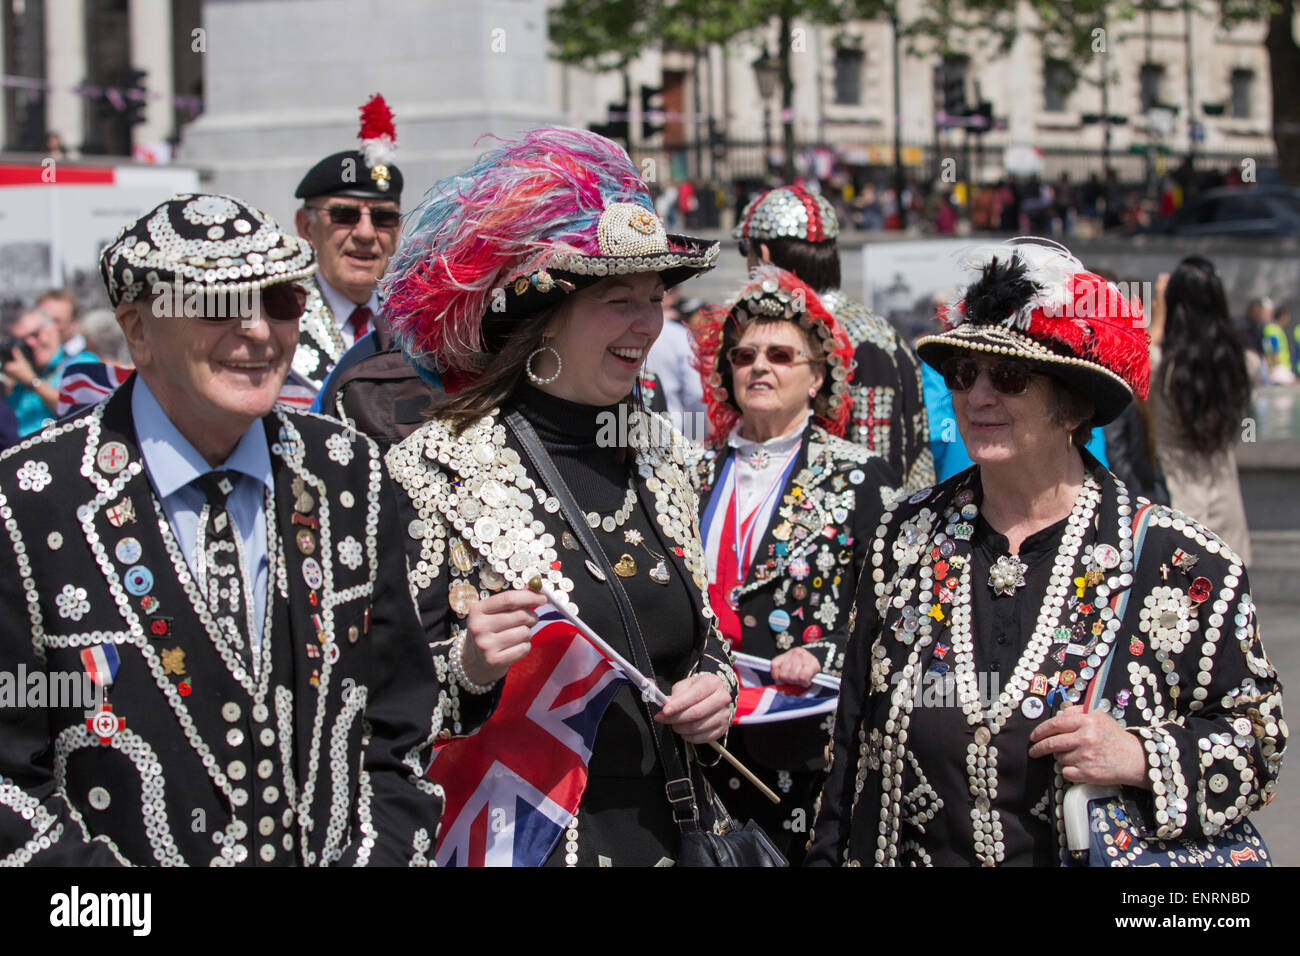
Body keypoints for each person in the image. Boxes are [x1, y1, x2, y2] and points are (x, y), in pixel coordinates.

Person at [0, 193, 495, 865]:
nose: (259, 331)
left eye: (282, 301)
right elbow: (11, 789)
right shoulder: (32, 499)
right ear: (139, 330)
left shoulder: (347, 471)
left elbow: (396, 729)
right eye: (218, 303)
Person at [808, 240, 1284, 866]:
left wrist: (1145, 757)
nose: (977, 397)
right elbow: (851, 742)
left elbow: (1258, 739)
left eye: (1008, 377)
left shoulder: (1180, 563)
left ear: (1072, 405)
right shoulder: (905, 538)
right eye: (963, 374)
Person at [384, 128, 737, 867]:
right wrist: (471, 669)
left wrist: (715, 688)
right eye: (618, 300)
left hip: (674, 834)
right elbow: (388, 707)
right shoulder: (436, 469)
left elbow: (699, 628)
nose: (647, 324)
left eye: (655, 299)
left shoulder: (664, 451)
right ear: (546, 315)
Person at [690, 265, 897, 863]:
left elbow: (890, 614)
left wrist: (824, 652)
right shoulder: (690, 472)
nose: (760, 366)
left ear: (816, 377)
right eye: (745, 354)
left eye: (781, 355)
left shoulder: (860, 477)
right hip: (703, 741)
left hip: (800, 747)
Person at [735, 186, 934, 493]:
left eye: (744, 251)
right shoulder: (866, 329)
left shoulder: (856, 340)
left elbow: (875, 473)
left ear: (763, 254)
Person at [291, 94, 404, 392]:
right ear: (306, 227)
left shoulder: (414, 323)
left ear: (398, 232)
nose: (366, 234)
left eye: (382, 218)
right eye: (344, 215)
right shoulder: (277, 316)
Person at [1150, 257, 1256, 566]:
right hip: (1226, 496)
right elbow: (1247, 427)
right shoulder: (1243, 364)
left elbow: (1129, 365)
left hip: (1175, 493)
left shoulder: (1158, 365)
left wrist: (1157, 318)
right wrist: (1248, 439)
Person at [3, 305, 96, 437]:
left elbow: (81, 411)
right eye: (22, 341)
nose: (31, 344)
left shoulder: (82, 363)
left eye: (35, 334)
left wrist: (33, 382)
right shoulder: (18, 384)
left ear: (53, 327)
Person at [37, 289, 87, 359]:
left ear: (74, 323)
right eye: (45, 320)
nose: (49, 326)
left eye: (57, 321)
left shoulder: (85, 359)